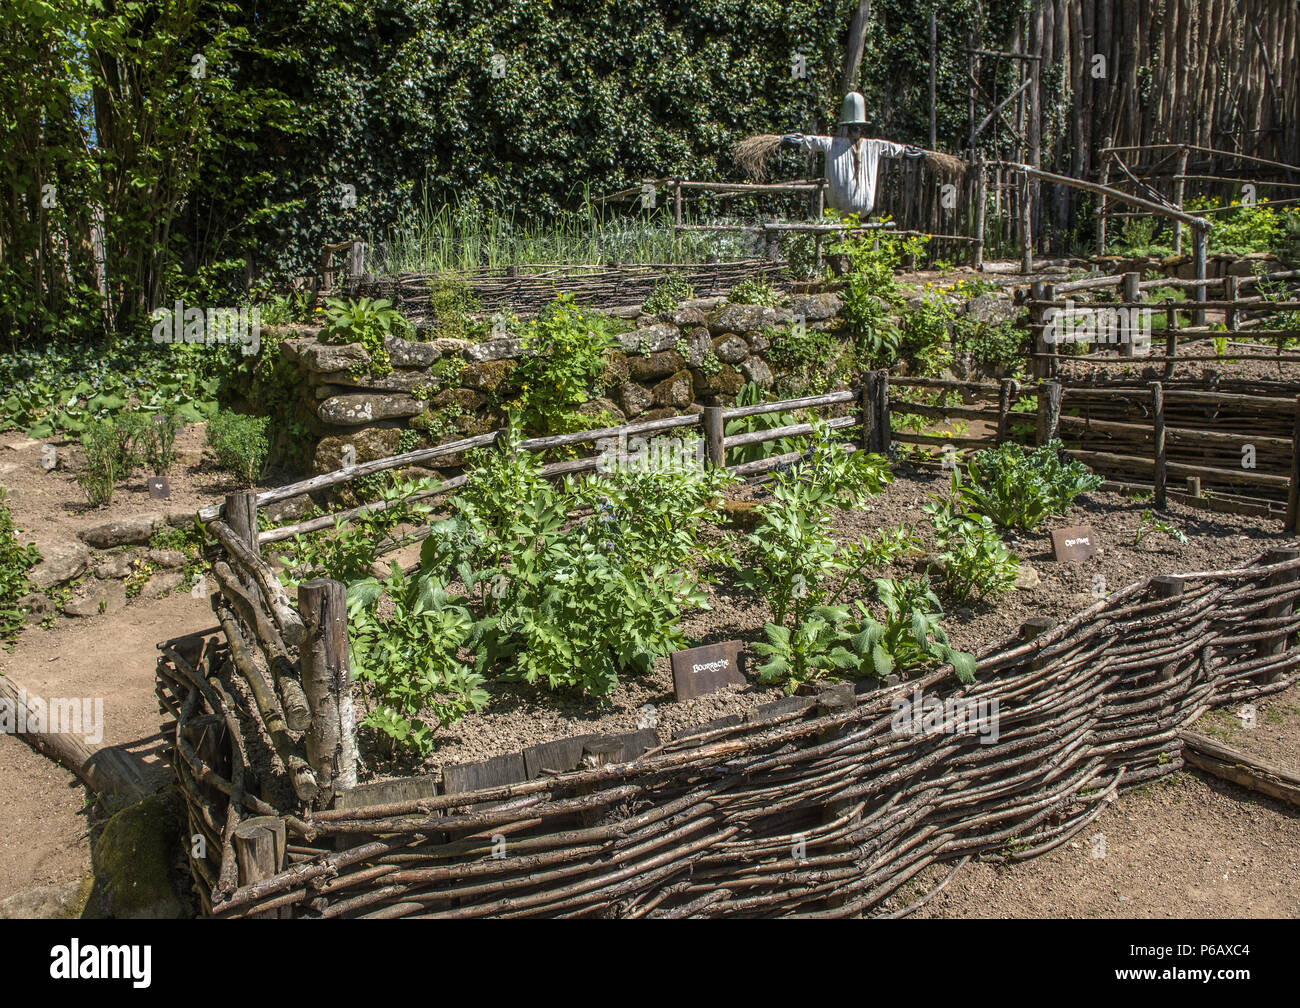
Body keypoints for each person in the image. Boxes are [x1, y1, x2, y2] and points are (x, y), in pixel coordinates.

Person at [781, 91, 926, 217]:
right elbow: (811, 142)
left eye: (858, 127)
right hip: (840, 207)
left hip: (863, 207)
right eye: (853, 127)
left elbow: (895, 149)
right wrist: (791, 141)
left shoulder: (873, 146)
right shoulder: (833, 144)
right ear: (847, 127)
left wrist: (912, 152)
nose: (855, 130)